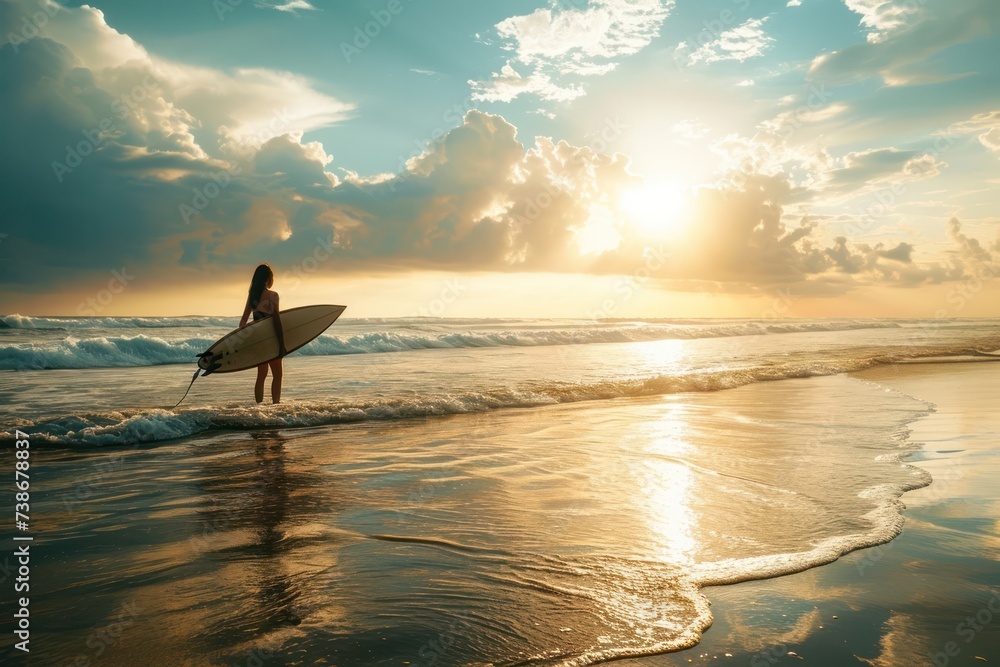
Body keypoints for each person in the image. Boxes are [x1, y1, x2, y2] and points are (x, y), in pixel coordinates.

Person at [239, 263, 288, 404]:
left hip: (259, 342)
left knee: (261, 376)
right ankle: (276, 406)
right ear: (268, 278)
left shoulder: (252, 296)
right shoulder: (273, 295)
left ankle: (258, 407)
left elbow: (242, 323)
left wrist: (252, 337)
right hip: (271, 341)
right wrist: (281, 344)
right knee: (277, 375)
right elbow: (276, 321)